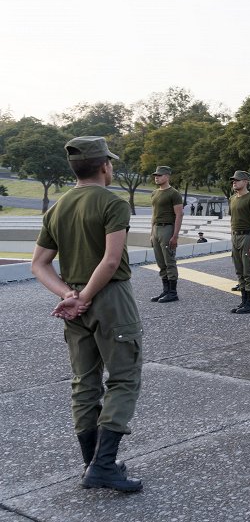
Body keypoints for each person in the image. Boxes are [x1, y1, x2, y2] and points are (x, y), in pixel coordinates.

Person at [31, 136, 143, 491]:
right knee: (124, 378)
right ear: (105, 166)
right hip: (109, 298)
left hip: (74, 299)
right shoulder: (113, 203)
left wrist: (70, 296)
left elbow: (39, 264)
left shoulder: (58, 208)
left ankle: (91, 463)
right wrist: (88, 297)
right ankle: (104, 465)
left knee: (84, 382)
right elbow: (111, 261)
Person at [149, 165, 184, 304]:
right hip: (157, 229)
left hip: (167, 229)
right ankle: (165, 290)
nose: (156, 177)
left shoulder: (173, 193)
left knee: (169, 261)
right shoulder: (154, 193)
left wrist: (175, 235)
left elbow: (179, 215)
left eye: (159, 175)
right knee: (160, 262)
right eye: (156, 175)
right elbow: (153, 213)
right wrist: (151, 233)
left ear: (167, 176)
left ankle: (173, 292)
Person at [229, 170, 250, 314]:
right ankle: (243, 301)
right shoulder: (233, 198)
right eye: (233, 180)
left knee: (248, 270)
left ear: (246, 181)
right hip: (235, 236)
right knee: (239, 270)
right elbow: (233, 220)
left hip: (247, 236)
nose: (234, 182)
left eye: (238, 180)